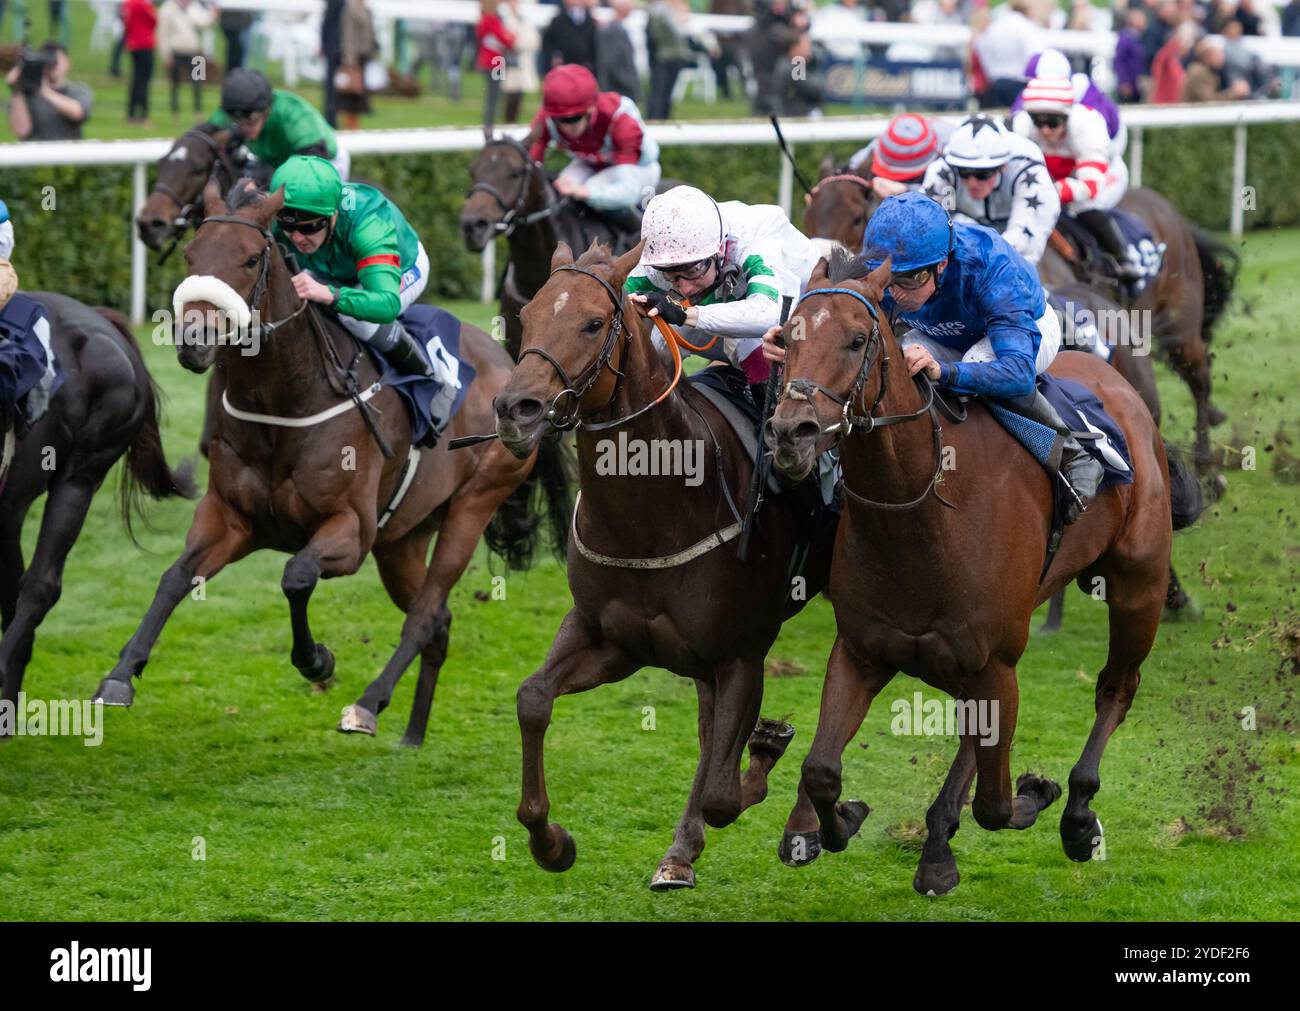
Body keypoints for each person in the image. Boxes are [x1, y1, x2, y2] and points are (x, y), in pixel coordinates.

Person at [839, 191, 1100, 521]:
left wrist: (946, 372)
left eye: (911, 279)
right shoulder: (883, 269)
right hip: (941, 331)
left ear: (943, 263)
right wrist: (788, 332)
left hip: (1020, 332)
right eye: (888, 279)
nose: (896, 293)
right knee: (894, 365)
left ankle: (1072, 456)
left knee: (977, 364)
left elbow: (1017, 372)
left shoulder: (992, 268)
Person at [627, 185, 821, 397]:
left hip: (801, 322)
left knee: (743, 341)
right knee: (655, 348)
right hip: (733, 299)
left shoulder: (754, 243)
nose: (685, 288)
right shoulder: (665, 253)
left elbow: (769, 313)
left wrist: (684, 313)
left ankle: (775, 418)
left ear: (719, 250)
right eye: (671, 277)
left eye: (692, 271)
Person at [269, 156, 434, 383]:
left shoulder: (368, 227)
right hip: (333, 269)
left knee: (357, 320)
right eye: (287, 226)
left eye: (308, 227)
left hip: (403, 268)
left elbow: (386, 304)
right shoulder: (280, 218)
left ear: (332, 215)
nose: (297, 237)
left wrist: (330, 294)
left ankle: (428, 377)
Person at [1012, 74, 1143, 290]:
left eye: (1052, 122)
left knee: (1083, 206)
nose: (1044, 130)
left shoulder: (1088, 126)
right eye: (1038, 120)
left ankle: (1123, 259)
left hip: (1103, 176)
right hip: (1055, 178)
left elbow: (1089, 186)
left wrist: (1048, 192)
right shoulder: (1023, 126)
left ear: (1067, 117)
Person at [527, 64, 661, 232]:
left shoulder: (622, 122)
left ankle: (638, 237)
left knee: (593, 190)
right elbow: (531, 167)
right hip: (590, 163)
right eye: (559, 120)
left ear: (591, 109)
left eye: (574, 118)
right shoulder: (545, 121)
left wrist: (585, 192)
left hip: (640, 168)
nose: (567, 127)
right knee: (557, 193)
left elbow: (628, 192)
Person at [921, 114, 1060, 267]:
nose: (972, 183)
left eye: (982, 174)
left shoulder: (1026, 169)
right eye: (964, 172)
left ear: (1003, 166)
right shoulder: (944, 168)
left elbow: (1021, 249)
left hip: (1018, 224)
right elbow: (927, 228)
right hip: (967, 230)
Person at [210, 69, 349, 183]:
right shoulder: (232, 110)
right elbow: (201, 136)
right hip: (279, 161)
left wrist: (270, 176)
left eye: (252, 121)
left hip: (325, 161)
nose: (245, 128)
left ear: (267, 111)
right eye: (238, 121)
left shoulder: (292, 114)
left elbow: (311, 167)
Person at [846, 114, 955, 200]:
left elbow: (950, 199)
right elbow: (852, 166)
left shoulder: (955, 145)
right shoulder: (891, 136)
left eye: (909, 179)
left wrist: (906, 189)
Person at [5, 41, 92, 141]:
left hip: (67, 154)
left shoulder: (78, 90)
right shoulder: (25, 94)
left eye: (56, 60)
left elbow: (78, 113)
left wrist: (44, 91)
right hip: (34, 154)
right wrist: (17, 90)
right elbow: (21, 131)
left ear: (68, 62)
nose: (52, 65)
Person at [156, 0, 213, 116]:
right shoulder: (167, 9)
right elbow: (163, 33)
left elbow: (203, 23)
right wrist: (165, 54)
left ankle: (198, 111)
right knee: (175, 84)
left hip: (193, 52)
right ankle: (175, 112)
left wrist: (213, 15)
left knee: (197, 82)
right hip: (176, 52)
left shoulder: (194, 7)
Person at [475, 0, 516, 131]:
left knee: (493, 94)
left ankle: (489, 122)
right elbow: (505, 39)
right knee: (494, 95)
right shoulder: (492, 20)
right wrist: (512, 38)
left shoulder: (483, 20)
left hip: (490, 60)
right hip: (496, 61)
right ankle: (489, 124)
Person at [500, 0, 541, 123]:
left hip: (521, 63)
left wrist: (517, 42)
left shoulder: (524, 19)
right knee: (505, 93)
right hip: (504, 62)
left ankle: (512, 123)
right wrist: (514, 42)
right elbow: (503, 39)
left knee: (518, 95)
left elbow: (534, 40)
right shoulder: (502, 17)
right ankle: (507, 122)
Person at [596, 0, 642, 104]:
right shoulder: (609, 31)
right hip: (618, 89)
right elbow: (609, 62)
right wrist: (627, 81)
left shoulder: (621, 29)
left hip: (624, 87)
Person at [1183, 33, 1252, 100]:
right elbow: (1209, 101)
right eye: (1217, 55)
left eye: (1221, 54)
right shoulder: (1198, 73)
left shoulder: (1214, 71)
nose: (1221, 58)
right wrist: (1233, 93)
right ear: (1207, 56)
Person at [123, 0, 157, 125]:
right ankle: (144, 114)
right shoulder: (143, 4)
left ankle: (131, 113)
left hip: (134, 43)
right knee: (144, 81)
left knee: (136, 80)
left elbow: (126, 23)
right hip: (145, 43)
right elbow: (154, 20)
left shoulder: (128, 4)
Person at [540, 0, 597, 72]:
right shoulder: (557, 22)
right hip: (563, 69)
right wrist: (555, 55)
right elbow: (548, 43)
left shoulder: (591, 23)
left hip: (585, 69)